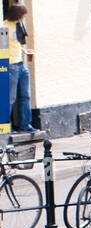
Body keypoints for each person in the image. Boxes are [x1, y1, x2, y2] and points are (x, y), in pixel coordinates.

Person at [4, 4, 34, 133]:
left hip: (21, 64)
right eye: (23, 15)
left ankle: (25, 125)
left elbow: (16, 43)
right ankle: (6, 128)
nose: (24, 18)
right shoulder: (4, 27)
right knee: (10, 98)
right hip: (11, 66)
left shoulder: (18, 25)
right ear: (18, 15)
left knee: (25, 96)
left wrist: (25, 51)